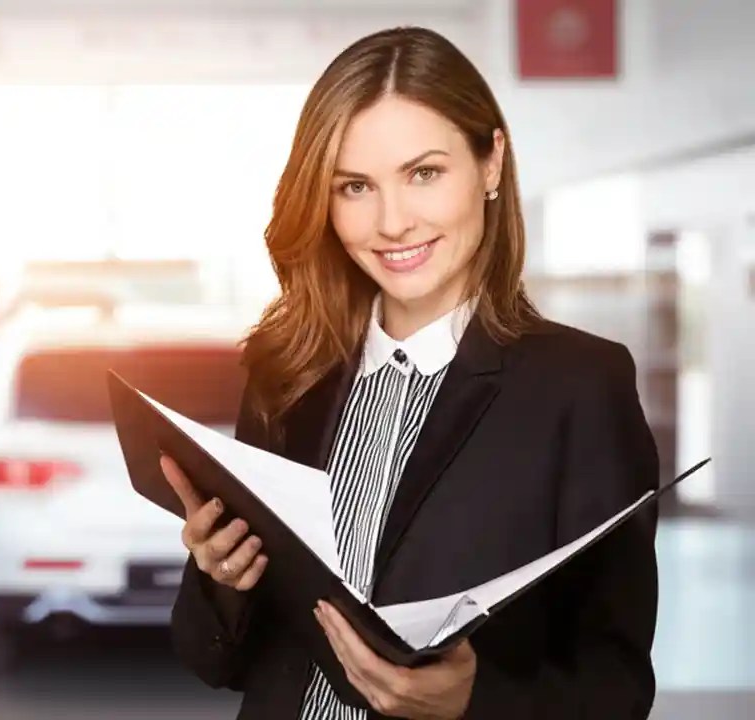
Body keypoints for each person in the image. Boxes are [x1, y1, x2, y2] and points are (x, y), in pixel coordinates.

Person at [160, 25, 660, 720]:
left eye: (424, 173)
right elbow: (217, 661)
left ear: (491, 163)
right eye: (355, 186)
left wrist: (472, 702)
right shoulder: (289, 371)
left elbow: (617, 687)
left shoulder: (580, 388)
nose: (392, 222)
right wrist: (220, 576)